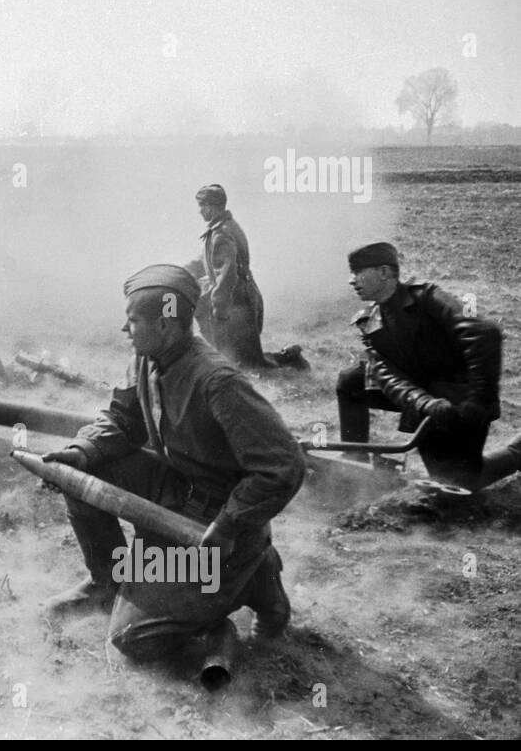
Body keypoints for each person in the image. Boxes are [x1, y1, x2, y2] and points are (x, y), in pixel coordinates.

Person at [40, 264, 305, 667]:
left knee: (133, 639)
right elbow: (122, 420)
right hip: (175, 492)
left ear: (165, 327)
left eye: (132, 320)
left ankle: (251, 580)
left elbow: (282, 466)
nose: (124, 330)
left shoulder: (217, 382)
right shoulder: (147, 358)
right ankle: (108, 584)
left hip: (215, 523)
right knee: (82, 477)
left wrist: (230, 525)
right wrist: (83, 451)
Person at [336, 241, 521, 490]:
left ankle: (517, 450)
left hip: (460, 398)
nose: (352, 280)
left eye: (358, 272)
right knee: (351, 380)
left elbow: (484, 333)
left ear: (383, 272)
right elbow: (388, 376)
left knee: (461, 482)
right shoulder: (370, 322)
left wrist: (479, 399)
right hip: (429, 401)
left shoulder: (428, 298)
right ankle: (354, 458)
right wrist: (424, 403)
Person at [187, 184, 305, 371]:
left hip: (237, 302)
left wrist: (219, 308)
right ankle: (286, 358)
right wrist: (181, 273)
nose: (200, 211)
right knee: (238, 357)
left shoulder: (222, 233)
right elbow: (204, 261)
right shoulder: (221, 228)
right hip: (238, 299)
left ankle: (290, 357)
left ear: (212, 206)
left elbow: (227, 274)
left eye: (202, 206)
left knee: (249, 363)